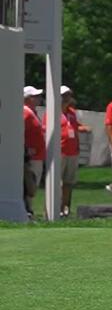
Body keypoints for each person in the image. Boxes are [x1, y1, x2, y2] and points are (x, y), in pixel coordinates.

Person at [60, 86, 89, 217]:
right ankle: (55, 207)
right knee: (58, 182)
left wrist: (83, 128)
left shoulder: (71, 112)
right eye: (63, 96)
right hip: (60, 151)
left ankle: (66, 207)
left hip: (73, 151)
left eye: (68, 95)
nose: (66, 98)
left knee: (69, 182)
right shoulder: (53, 112)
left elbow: (75, 126)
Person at [23, 86, 46, 218]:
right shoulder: (25, 113)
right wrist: (26, 149)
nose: (38, 99)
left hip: (38, 155)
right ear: (27, 99)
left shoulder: (32, 112)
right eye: (35, 96)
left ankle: (29, 209)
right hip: (32, 156)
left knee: (33, 184)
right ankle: (27, 210)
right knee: (29, 184)